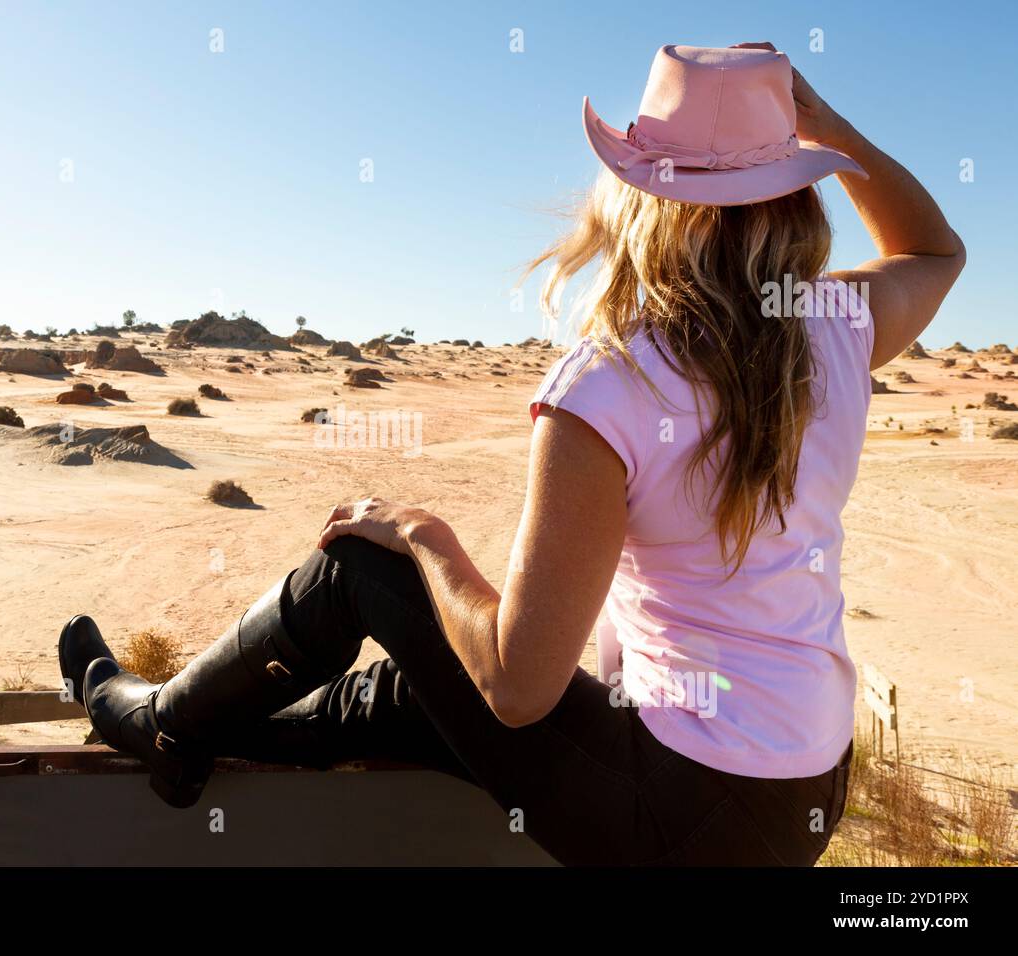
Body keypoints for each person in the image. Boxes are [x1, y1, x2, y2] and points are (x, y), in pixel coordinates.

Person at [59, 43, 964, 865]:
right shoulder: (832, 329)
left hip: (678, 821)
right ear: (799, 193)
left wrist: (425, 536)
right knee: (406, 696)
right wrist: (830, 129)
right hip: (807, 789)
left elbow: (519, 688)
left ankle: (164, 724)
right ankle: (202, 733)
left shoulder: (611, 384)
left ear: (641, 194)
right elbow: (935, 249)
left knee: (360, 572)